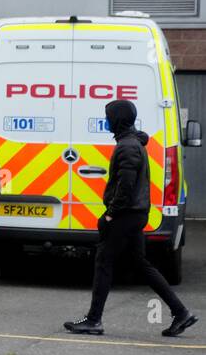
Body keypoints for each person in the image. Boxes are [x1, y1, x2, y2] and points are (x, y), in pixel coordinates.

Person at [65, 100, 197, 338]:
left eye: (108, 117)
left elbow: (125, 184)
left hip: (125, 215)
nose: (106, 120)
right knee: (141, 265)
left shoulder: (127, 146)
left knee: (103, 263)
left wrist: (111, 213)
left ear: (117, 119)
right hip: (135, 214)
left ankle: (93, 320)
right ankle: (181, 312)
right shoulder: (132, 143)